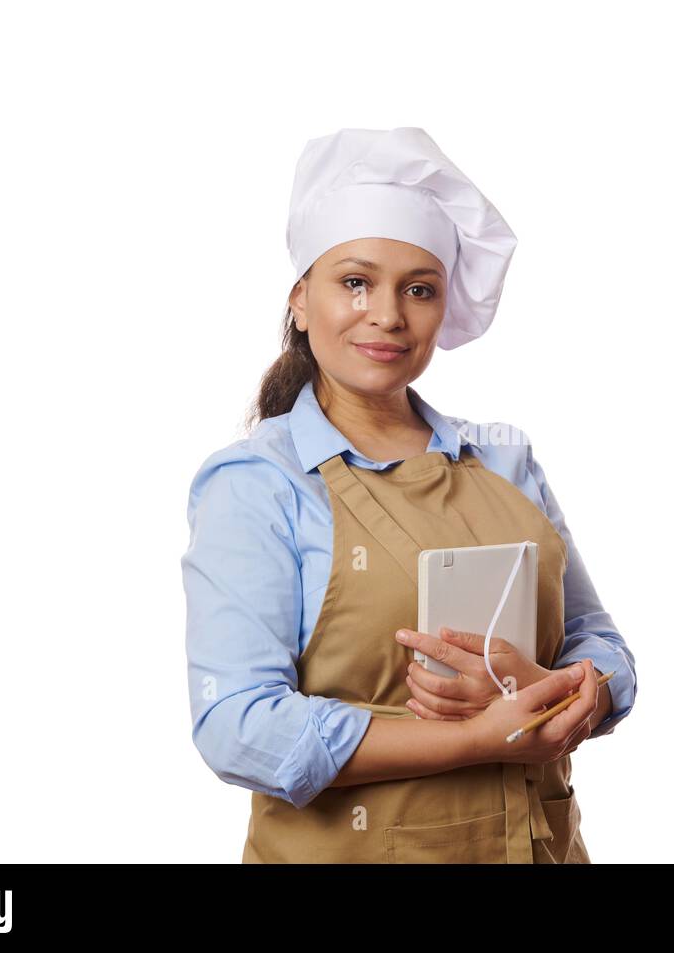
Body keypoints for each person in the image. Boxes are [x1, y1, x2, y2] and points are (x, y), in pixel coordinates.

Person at [181, 127, 637, 863]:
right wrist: (472, 739)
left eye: (418, 289)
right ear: (301, 300)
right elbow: (238, 727)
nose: (387, 315)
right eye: (354, 282)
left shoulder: (503, 459)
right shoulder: (258, 484)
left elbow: (603, 645)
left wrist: (568, 689)